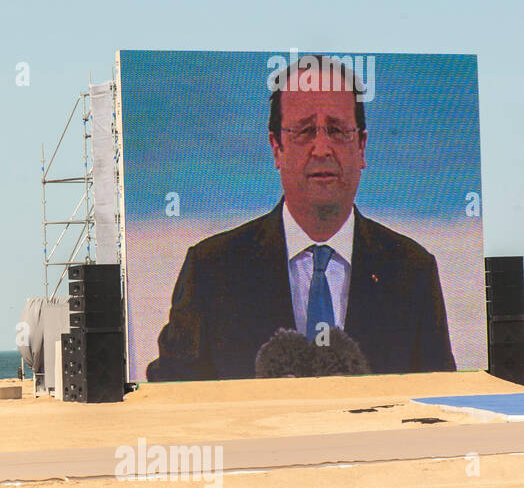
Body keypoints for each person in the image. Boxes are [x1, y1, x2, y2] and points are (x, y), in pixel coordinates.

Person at [147, 56, 455, 382]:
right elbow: (170, 400)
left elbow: (439, 405)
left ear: (362, 147)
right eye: (305, 131)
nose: (322, 148)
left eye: (337, 131)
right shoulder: (210, 270)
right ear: (276, 148)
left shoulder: (413, 270)